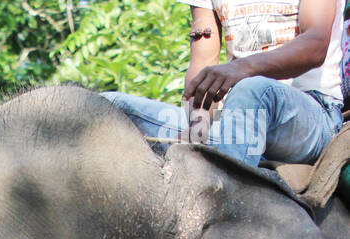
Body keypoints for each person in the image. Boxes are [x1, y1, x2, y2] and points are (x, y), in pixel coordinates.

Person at [103, 0, 345, 168]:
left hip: (311, 115)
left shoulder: (250, 83)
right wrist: (196, 132)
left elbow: (315, 44)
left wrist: (243, 68)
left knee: (253, 90)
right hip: (234, 125)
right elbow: (203, 67)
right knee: (106, 106)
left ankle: (226, 209)